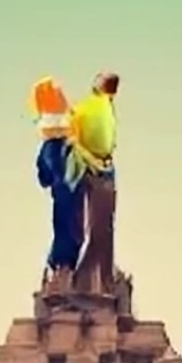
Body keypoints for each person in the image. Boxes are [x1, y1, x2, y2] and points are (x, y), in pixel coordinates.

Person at [30, 77, 85, 293]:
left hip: (63, 199)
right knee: (74, 233)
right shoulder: (72, 146)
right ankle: (64, 271)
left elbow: (43, 178)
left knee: (65, 231)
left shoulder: (47, 149)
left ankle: (62, 270)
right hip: (75, 196)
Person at [66, 73, 120, 293]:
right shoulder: (84, 109)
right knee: (98, 228)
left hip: (105, 168)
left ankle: (104, 278)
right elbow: (72, 138)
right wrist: (92, 161)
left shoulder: (106, 107)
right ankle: (81, 280)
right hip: (89, 168)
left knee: (104, 228)